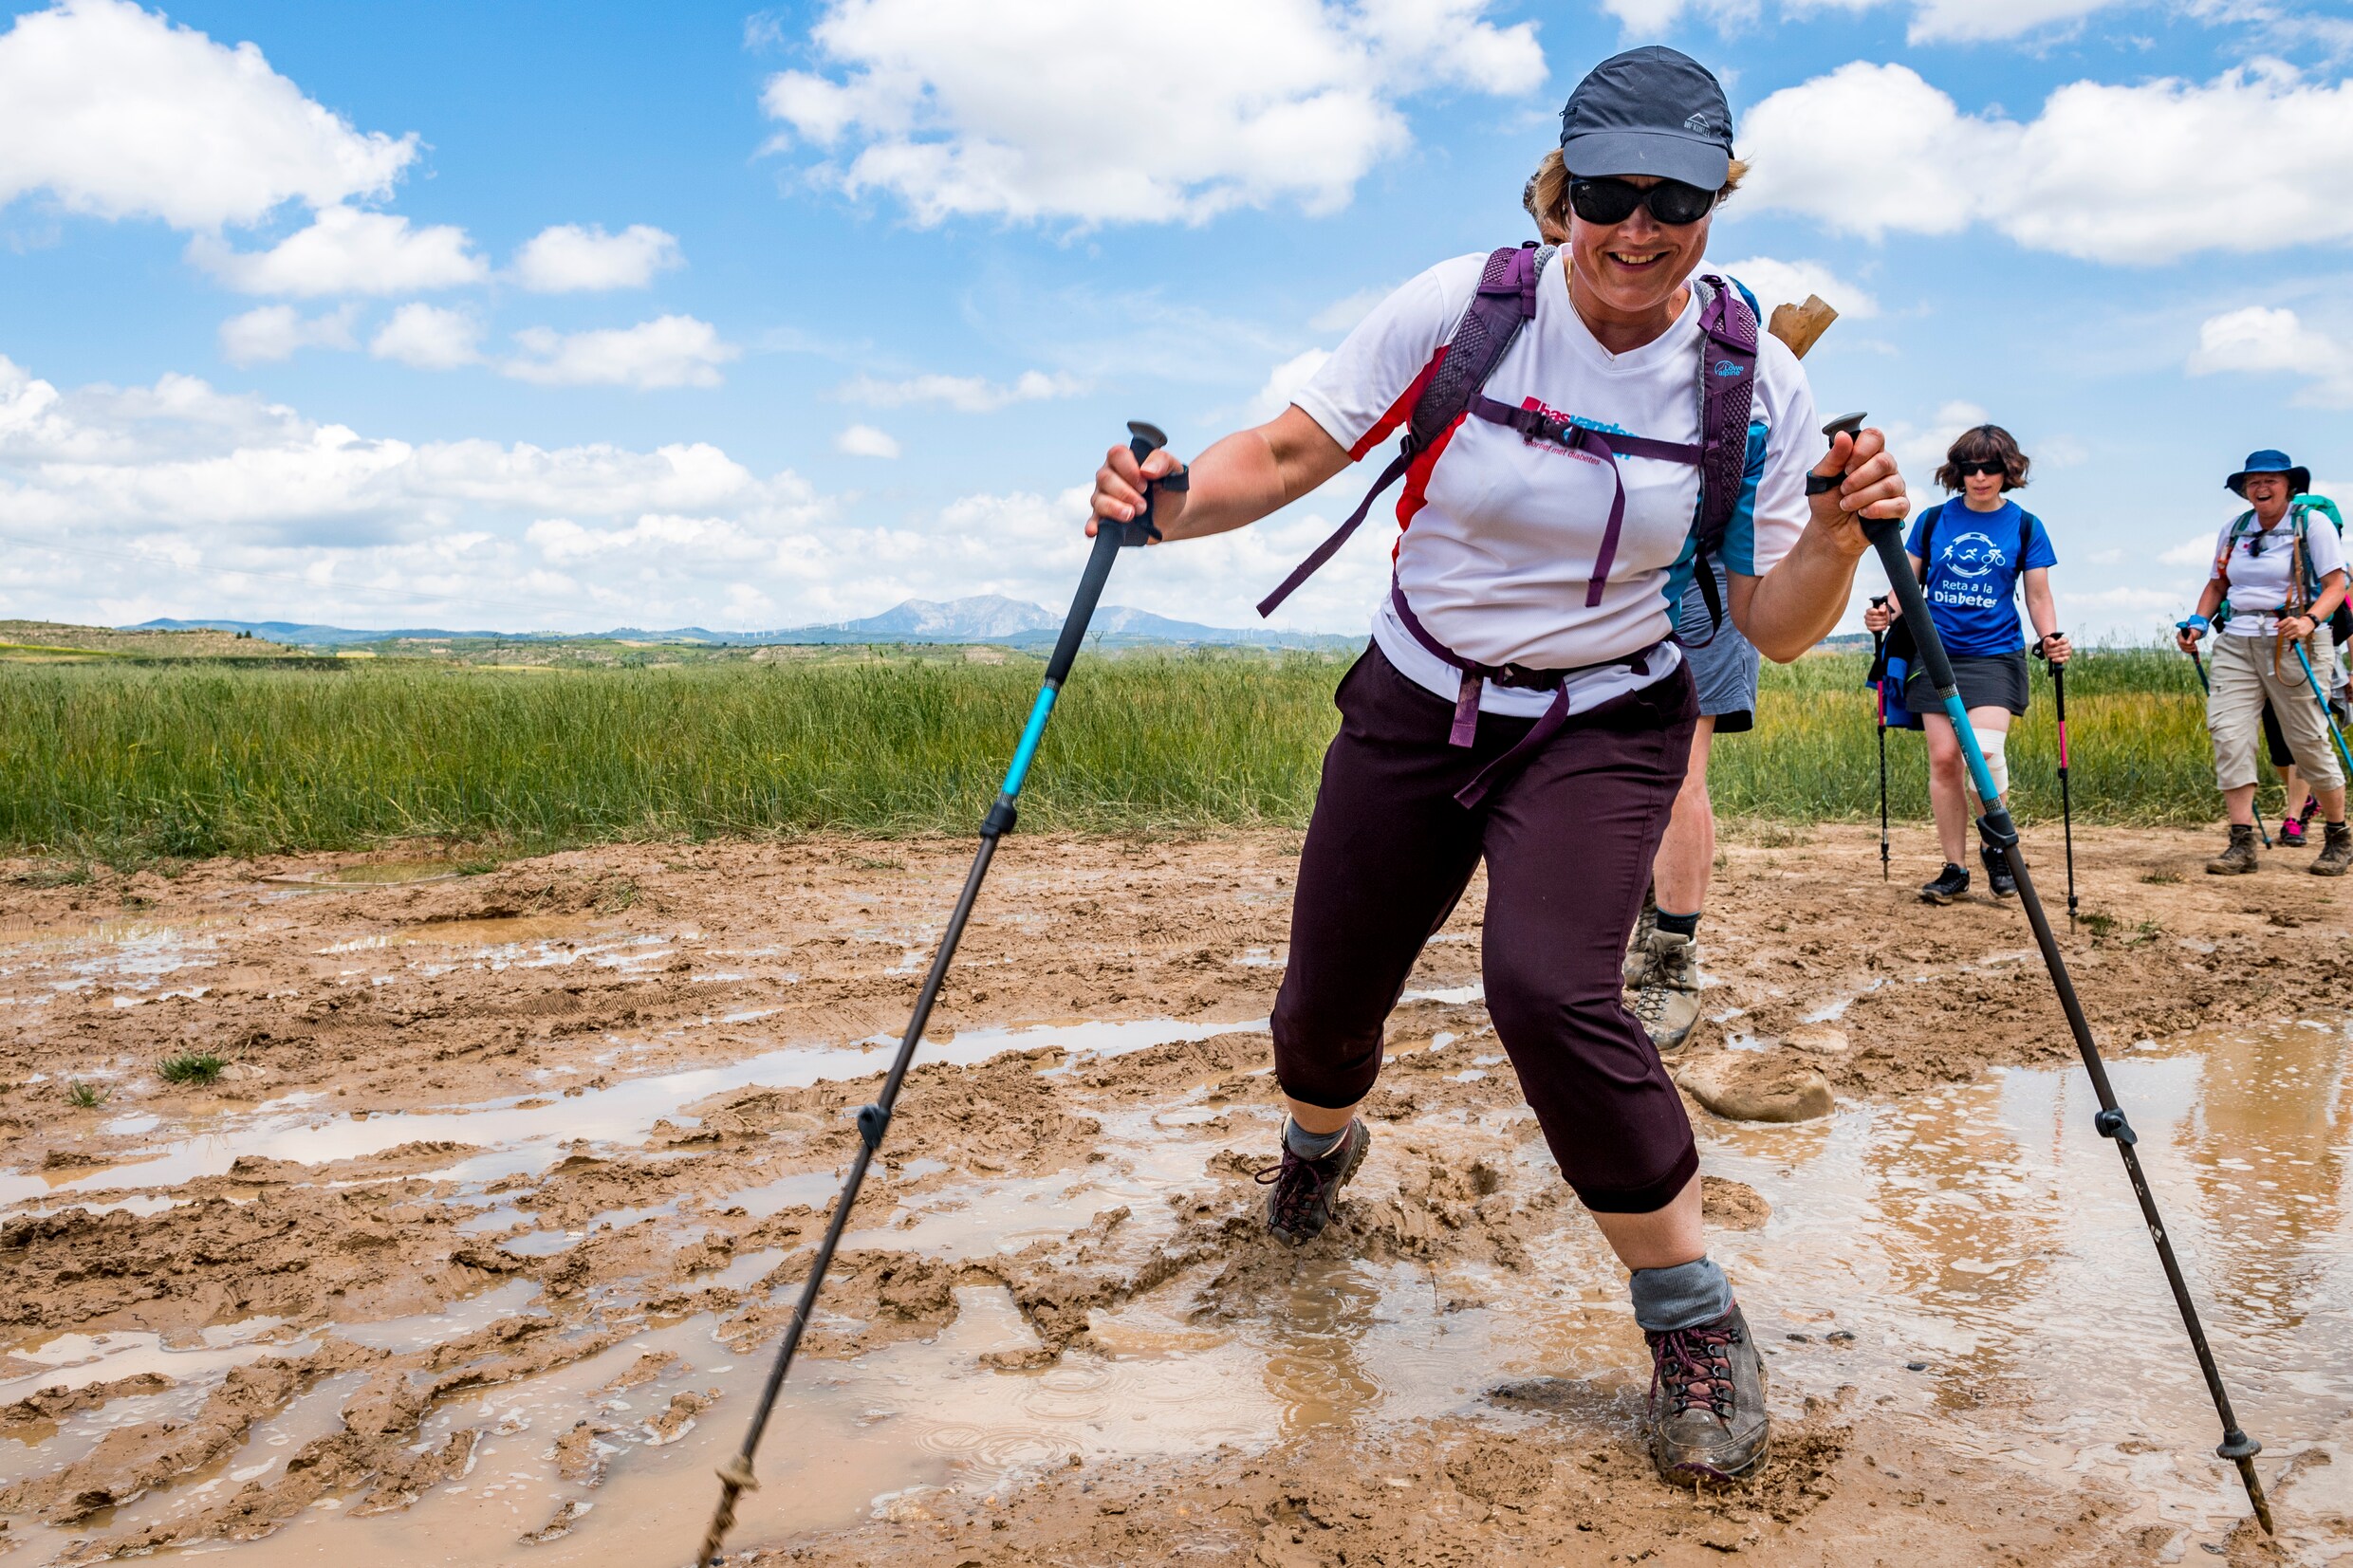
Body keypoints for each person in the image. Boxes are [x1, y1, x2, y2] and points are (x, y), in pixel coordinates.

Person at [1088, 46, 1907, 1485]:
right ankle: (1320, 1148)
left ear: (1720, 197)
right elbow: (1285, 453)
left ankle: (1695, 1321)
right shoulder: (1465, 308)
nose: (1637, 229)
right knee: (1322, 1013)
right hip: (1416, 697)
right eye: (1608, 194)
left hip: (1607, 717)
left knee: (1551, 988)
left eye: (1675, 196)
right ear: (1560, 190)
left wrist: (1837, 538)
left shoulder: (1750, 374)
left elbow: (1777, 630)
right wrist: (1162, 507)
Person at [1529, 174, 1759, 1055]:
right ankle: (1595, 946)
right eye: (1563, 220)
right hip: (1584, 603)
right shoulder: (1531, 326)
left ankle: (1669, 956)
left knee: (1678, 780)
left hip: (1696, 593)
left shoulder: (1716, 328)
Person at [1862, 426, 2068, 903]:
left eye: (1990, 468)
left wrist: (2050, 637)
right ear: (1957, 472)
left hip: (1996, 655)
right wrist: (1884, 612)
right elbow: (1906, 586)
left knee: (1986, 752)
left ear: (2007, 471)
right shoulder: (1934, 521)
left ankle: (1995, 843)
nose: (1980, 477)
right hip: (1934, 654)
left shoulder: (2024, 526)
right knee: (1945, 760)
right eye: (1970, 468)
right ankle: (1954, 867)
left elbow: (2038, 595)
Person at [2177, 450, 2353, 875]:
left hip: (2296, 643)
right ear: (2244, 489)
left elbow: (2337, 584)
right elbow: (2218, 582)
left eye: (2271, 479)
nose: (2261, 487)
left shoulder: (2312, 524)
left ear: (2289, 485)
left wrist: (2310, 620)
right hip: (2238, 642)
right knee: (2229, 734)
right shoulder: (2235, 530)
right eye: (2253, 481)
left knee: (2308, 741)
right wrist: (2198, 624)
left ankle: (2338, 837)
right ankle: (2242, 843)